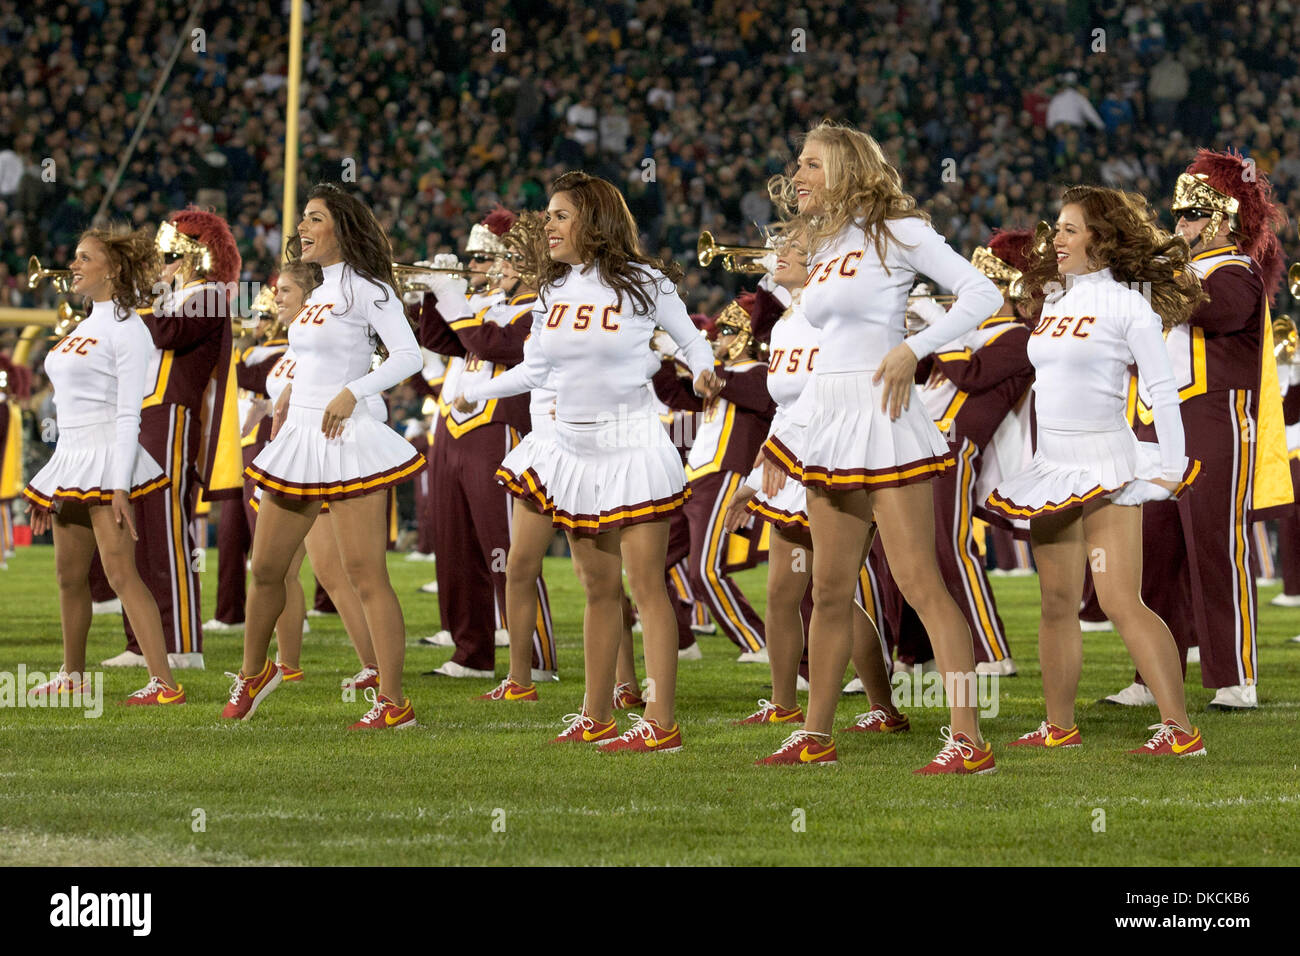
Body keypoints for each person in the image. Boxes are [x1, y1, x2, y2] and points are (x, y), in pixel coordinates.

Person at [758, 120, 1002, 771]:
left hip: (884, 416)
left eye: (811, 164)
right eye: (799, 163)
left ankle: (969, 740)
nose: (798, 176)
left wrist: (914, 347)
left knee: (919, 580)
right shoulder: (828, 243)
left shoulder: (901, 232)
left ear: (845, 168)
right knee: (830, 590)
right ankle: (816, 737)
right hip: (830, 419)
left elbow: (984, 293)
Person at [458, 171, 719, 753]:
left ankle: (661, 720)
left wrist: (703, 369)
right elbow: (539, 370)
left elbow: (691, 338)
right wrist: (480, 392)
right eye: (548, 215)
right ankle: (595, 713)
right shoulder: (553, 291)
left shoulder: (645, 281)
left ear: (592, 220)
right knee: (598, 587)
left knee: (647, 586)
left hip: (630, 446)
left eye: (558, 215)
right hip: (571, 451)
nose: (547, 225)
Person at [988, 186, 1207, 757]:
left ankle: (1181, 730)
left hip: (1107, 466)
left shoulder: (1127, 303)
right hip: (1054, 466)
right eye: (1057, 228)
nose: (1055, 238)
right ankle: (1058, 725)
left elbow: (1162, 389)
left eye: (1068, 228)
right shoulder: (1055, 300)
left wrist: (1171, 466)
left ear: (1099, 238)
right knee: (1056, 604)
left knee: (1119, 601)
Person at [225, 183, 424, 729]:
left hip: (350, 438)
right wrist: (289, 393)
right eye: (302, 220)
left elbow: (408, 356)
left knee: (365, 574)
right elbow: (307, 358)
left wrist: (354, 391)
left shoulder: (368, 287)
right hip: (301, 440)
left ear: (341, 226)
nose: (302, 229)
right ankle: (255, 671)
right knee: (266, 568)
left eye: (314, 219)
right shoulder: (317, 292)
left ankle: (393, 700)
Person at [1103, 150, 1291, 711]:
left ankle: (1234, 674)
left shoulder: (1236, 270)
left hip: (1214, 416)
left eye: (1188, 216)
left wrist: (1144, 271)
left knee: (1214, 542)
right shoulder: (1175, 273)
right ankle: (1152, 673)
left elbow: (1210, 309)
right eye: (1178, 215)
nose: (1178, 224)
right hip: (1158, 422)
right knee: (1153, 550)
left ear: (1218, 221)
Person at [724, 236, 905, 733]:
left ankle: (883, 707)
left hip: (832, 458)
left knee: (831, 594)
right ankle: (785, 702)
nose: (775, 253)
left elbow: (833, 397)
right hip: (785, 463)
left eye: (791, 247)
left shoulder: (832, 319)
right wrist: (761, 475)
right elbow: (785, 410)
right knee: (784, 593)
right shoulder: (783, 324)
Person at [23, 226, 182, 704]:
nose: (73, 265)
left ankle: (165, 683)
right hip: (71, 460)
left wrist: (119, 487)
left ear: (111, 269)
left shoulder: (129, 329)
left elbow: (130, 412)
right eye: (74, 257)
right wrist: (53, 481)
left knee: (120, 574)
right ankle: (71, 676)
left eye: (84, 257)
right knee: (69, 578)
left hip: (108, 459)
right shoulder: (83, 325)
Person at [413, 207, 556, 681]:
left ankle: (534, 656)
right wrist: (433, 297)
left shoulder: (544, 307)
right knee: (455, 547)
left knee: (509, 549)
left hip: (501, 428)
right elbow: (440, 339)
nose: (503, 267)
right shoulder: (487, 301)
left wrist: (456, 301)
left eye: (514, 259)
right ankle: (470, 651)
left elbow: (496, 345)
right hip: (454, 428)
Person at [100, 208, 241, 671]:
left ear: (193, 255)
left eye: (167, 254)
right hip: (137, 415)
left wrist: (138, 293)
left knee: (165, 533)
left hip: (172, 416)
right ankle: (141, 642)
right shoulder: (169, 294)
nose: (158, 262)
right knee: (132, 535)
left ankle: (179, 643)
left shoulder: (211, 295)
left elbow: (170, 332)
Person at [242, 260, 384, 690]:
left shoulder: (333, 345)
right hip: (285, 465)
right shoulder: (295, 349)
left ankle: (375, 666)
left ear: (310, 296)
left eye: (284, 290)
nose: (275, 298)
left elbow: (370, 404)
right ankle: (286, 664)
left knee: (333, 574)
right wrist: (269, 408)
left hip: (320, 468)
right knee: (278, 571)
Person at [907, 231, 1040, 677]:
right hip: (918, 447)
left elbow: (972, 375)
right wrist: (919, 327)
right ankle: (914, 653)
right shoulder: (964, 333)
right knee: (907, 556)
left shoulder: (1020, 338)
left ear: (1005, 290)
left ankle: (991, 651)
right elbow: (919, 370)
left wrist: (940, 321)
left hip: (956, 448)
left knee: (951, 549)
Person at [652, 293, 776, 662]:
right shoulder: (720, 377)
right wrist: (658, 358)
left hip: (726, 475)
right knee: (650, 564)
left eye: (725, 331)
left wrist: (691, 357)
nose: (717, 338)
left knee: (706, 571)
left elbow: (756, 395)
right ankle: (681, 641)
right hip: (694, 480)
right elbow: (674, 393)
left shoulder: (760, 373)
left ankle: (758, 642)